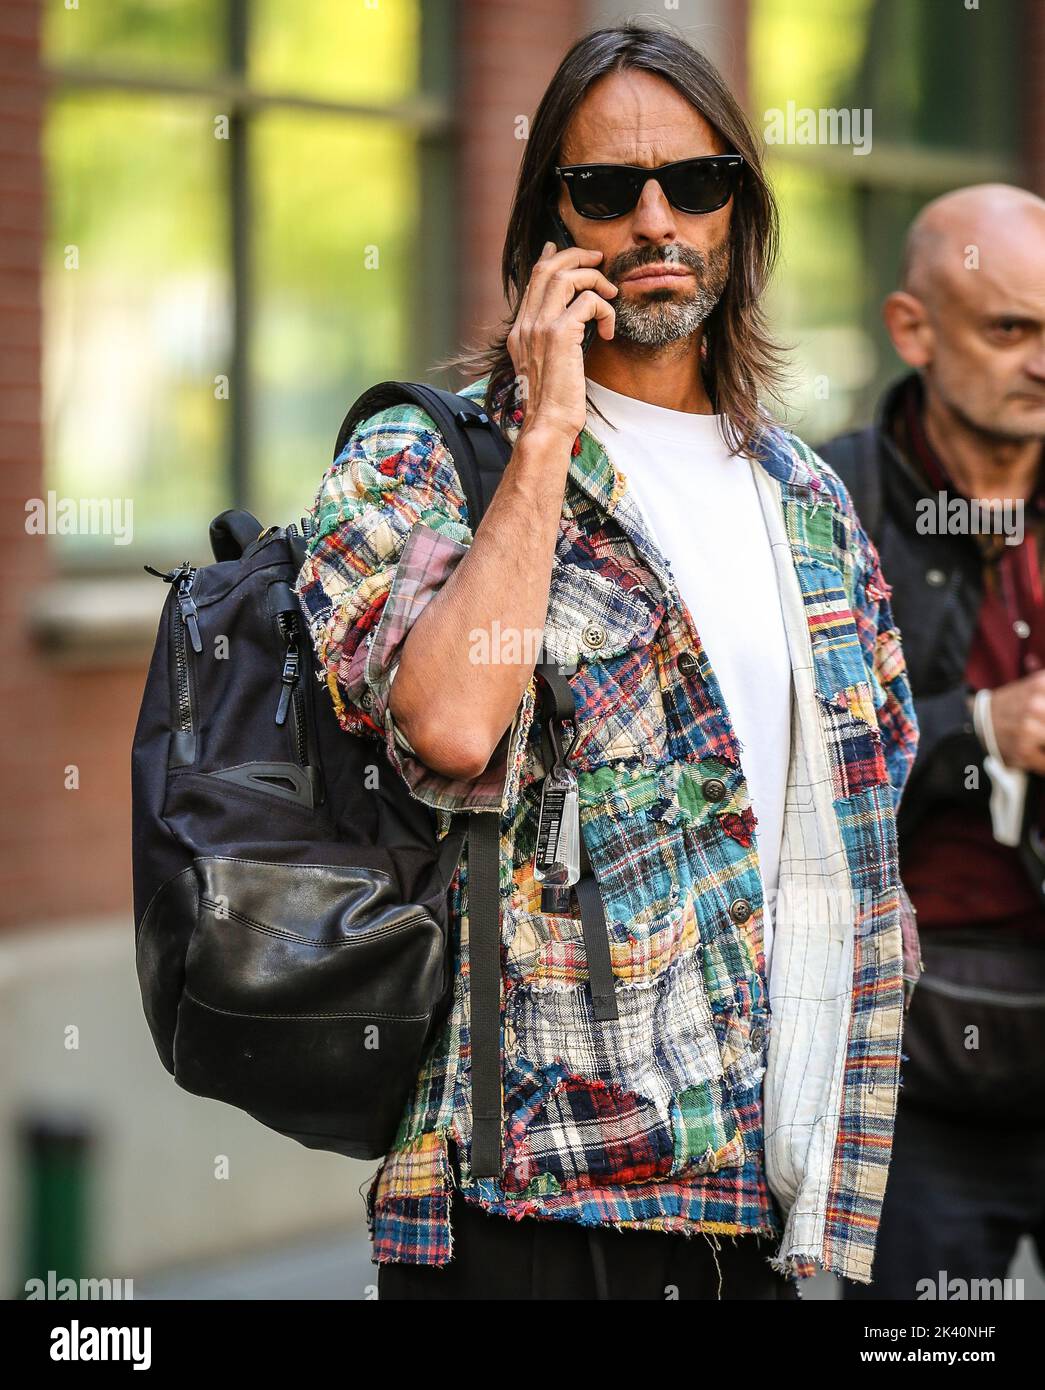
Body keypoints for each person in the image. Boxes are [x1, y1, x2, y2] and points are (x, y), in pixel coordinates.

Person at [295, 20, 919, 1301]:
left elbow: (871, 802)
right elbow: (453, 726)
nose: (654, 220)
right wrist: (545, 436)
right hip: (526, 1200)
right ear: (547, 226)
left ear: (739, 215)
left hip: (769, 1192)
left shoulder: (804, 496)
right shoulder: (426, 466)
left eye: (694, 183)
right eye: (605, 190)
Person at [819, 184, 1045, 1301]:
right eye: (1011, 330)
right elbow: (774, 783)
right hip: (912, 1082)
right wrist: (979, 732)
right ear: (912, 328)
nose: (1043, 363)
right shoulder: (823, 506)